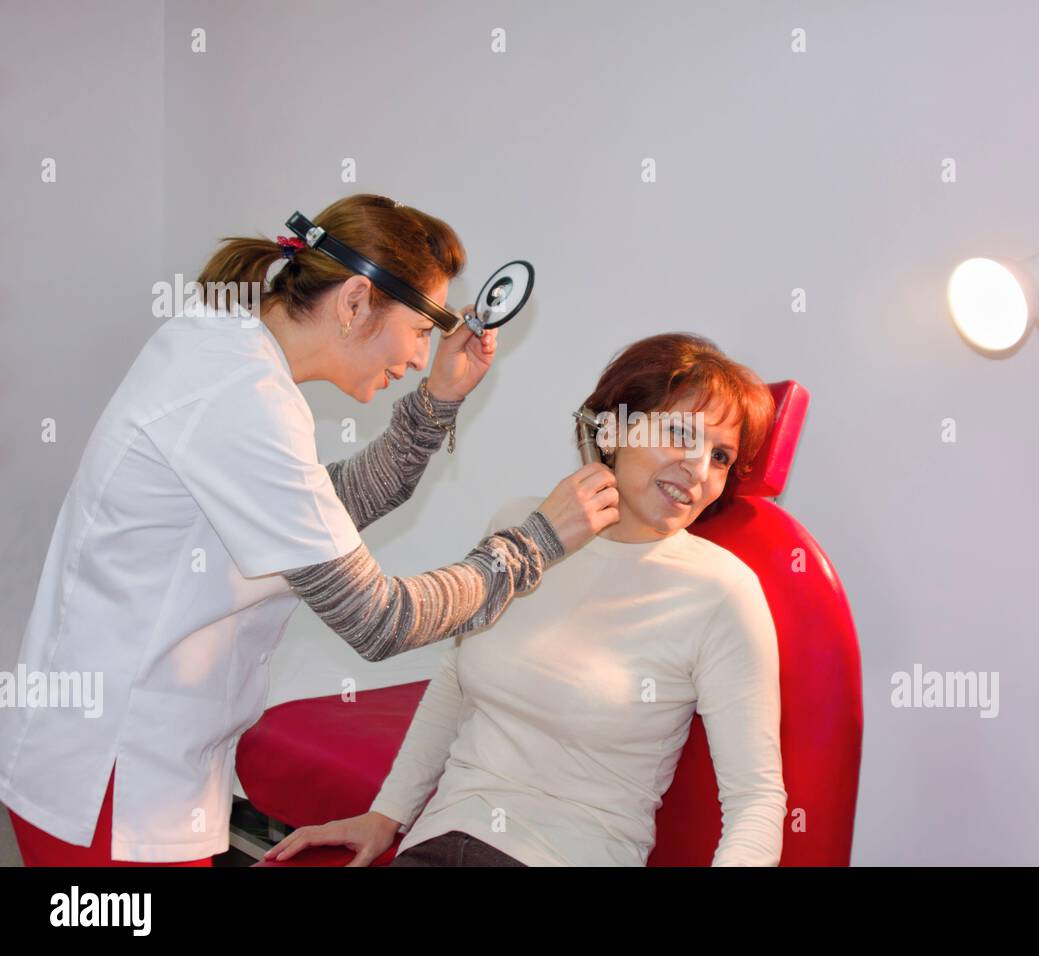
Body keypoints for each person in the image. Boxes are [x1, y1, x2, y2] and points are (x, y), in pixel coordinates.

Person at [0, 194, 617, 866]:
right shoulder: (242, 397)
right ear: (355, 302)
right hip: (113, 779)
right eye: (420, 331)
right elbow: (381, 620)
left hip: (140, 770)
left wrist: (439, 400)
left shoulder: (227, 352)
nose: (417, 358)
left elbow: (331, 503)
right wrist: (534, 545)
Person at [264, 333, 786, 867]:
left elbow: (757, 800)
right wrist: (387, 813)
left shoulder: (721, 591)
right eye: (680, 432)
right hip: (440, 840)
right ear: (610, 428)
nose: (698, 472)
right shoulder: (522, 527)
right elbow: (455, 681)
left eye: (721, 456)